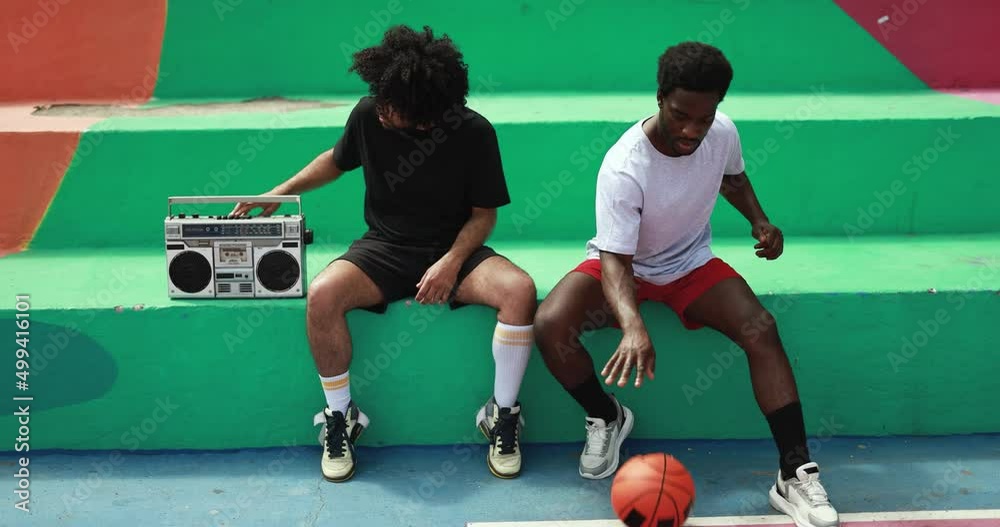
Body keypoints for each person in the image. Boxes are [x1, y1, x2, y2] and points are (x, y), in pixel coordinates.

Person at [532, 42, 839, 527]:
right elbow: (614, 261)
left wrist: (759, 221)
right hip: (625, 266)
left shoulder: (721, 132)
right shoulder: (623, 164)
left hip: (691, 264)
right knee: (550, 323)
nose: (693, 130)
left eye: (705, 116)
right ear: (659, 98)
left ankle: (794, 473)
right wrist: (632, 324)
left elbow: (732, 179)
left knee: (761, 328)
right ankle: (606, 415)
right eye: (681, 116)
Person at [232, 25, 536, 483]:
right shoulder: (370, 113)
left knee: (520, 290)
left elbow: (483, 216)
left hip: (455, 250)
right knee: (322, 295)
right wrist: (280, 192)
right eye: (382, 99)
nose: (382, 110)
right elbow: (336, 161)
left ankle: (502, 415)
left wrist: (450, 261)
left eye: (393, 108)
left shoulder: (474, 133)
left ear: (426, 117)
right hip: (385, 247)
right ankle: (340, 418)